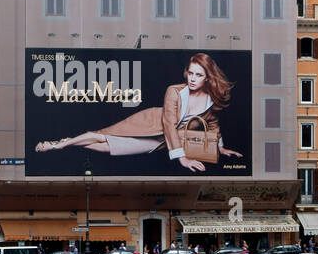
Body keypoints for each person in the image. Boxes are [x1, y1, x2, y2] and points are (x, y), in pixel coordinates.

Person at [32, 53, 244, 173]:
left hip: (160, 141)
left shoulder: (209, 100)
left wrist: (221, 147)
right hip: (149, 123)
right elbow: (169, 124)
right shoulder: (174, 90)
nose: (192, 78)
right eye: (190, 72)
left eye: (198, 74)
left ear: (207, 77)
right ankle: (59, 144)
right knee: (102, 135)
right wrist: (182, 158)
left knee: (108, 148)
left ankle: (69, 141)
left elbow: (213, 122)